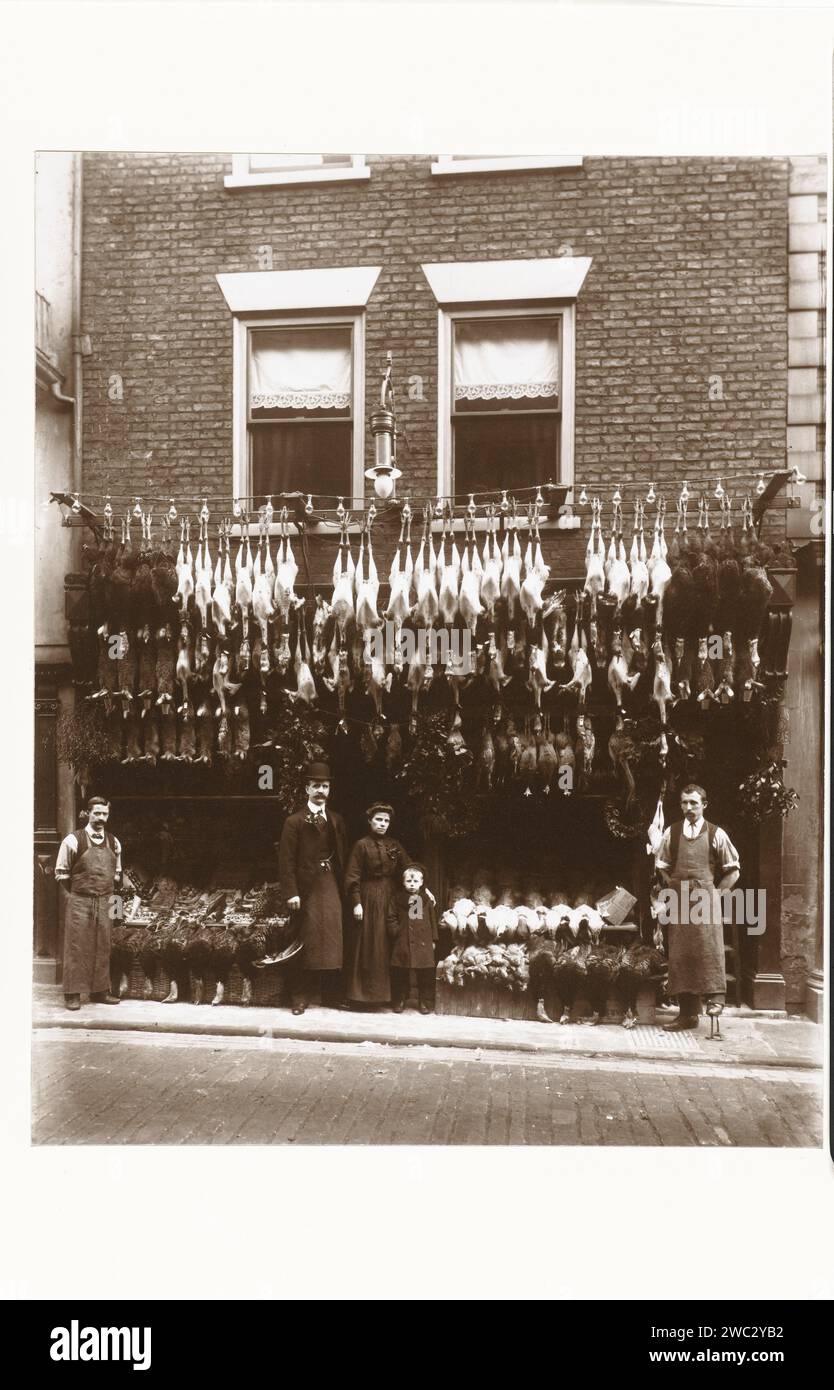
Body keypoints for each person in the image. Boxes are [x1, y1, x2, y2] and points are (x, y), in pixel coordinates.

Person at [655, 783, 740, 1032]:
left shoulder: (716, 834)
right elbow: (662, 863)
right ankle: (687, 1015)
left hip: (706, 902)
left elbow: (733, 870)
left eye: (694, 802)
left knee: (708, 948)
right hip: (680, 902)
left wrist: (716, 895)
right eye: (684, 802)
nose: (689, 807)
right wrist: (671, 885)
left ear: (704, 805)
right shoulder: (672, 832)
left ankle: (716, 1000)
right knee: (681, 954)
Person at [278, 761, 347, 1015]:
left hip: (330, 885)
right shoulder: (294, 821)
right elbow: (285, 861)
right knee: (304, 940)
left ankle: (329, 994)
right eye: (316, 785)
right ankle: (299, 997)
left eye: (325, 786)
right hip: (306, 887)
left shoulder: (336, 820)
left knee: (331, 939)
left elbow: (342, 855)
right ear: (307, 788)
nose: (321, 790)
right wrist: (291, 892)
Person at [54, 796, 123, 1011]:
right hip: (80, 901)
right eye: (97, 813)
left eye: (105, 814)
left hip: (106, 901)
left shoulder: (114, 842)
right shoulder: (73, 841)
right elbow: (62, 874)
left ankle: (100, 991)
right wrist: (78, 896)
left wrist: (116, 912)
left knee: (103, 945)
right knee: (77, 945)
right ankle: (72, 993)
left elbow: (117, 878)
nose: (101, 818)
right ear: (87, 813)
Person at [343, 803, 409, 1008]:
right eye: (379, 819)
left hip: (390, 898)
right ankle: (361, 997)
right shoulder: (361, 845)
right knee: (367, 945)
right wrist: (356, 903)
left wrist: (424, 891)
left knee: (391, 944)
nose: (382, 824)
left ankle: (396, 997)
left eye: (386, 820)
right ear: (370, 821)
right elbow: (352, 876)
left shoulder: (395, 845)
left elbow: (409, 869)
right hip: (368, 898)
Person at [388, 862, 438, 1014]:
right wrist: (396, 933)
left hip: (423, 941)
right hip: (403, 940)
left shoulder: (425, 899)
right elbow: (391, 918)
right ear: (403, 882)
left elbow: (432, 920)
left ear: (422, 883)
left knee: (425, 973)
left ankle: (424, 1001)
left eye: (415, 881)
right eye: (408, 881)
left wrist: (433, 939)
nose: (412, 884)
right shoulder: (397, 899)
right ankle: (400, 999)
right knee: (400, 972)